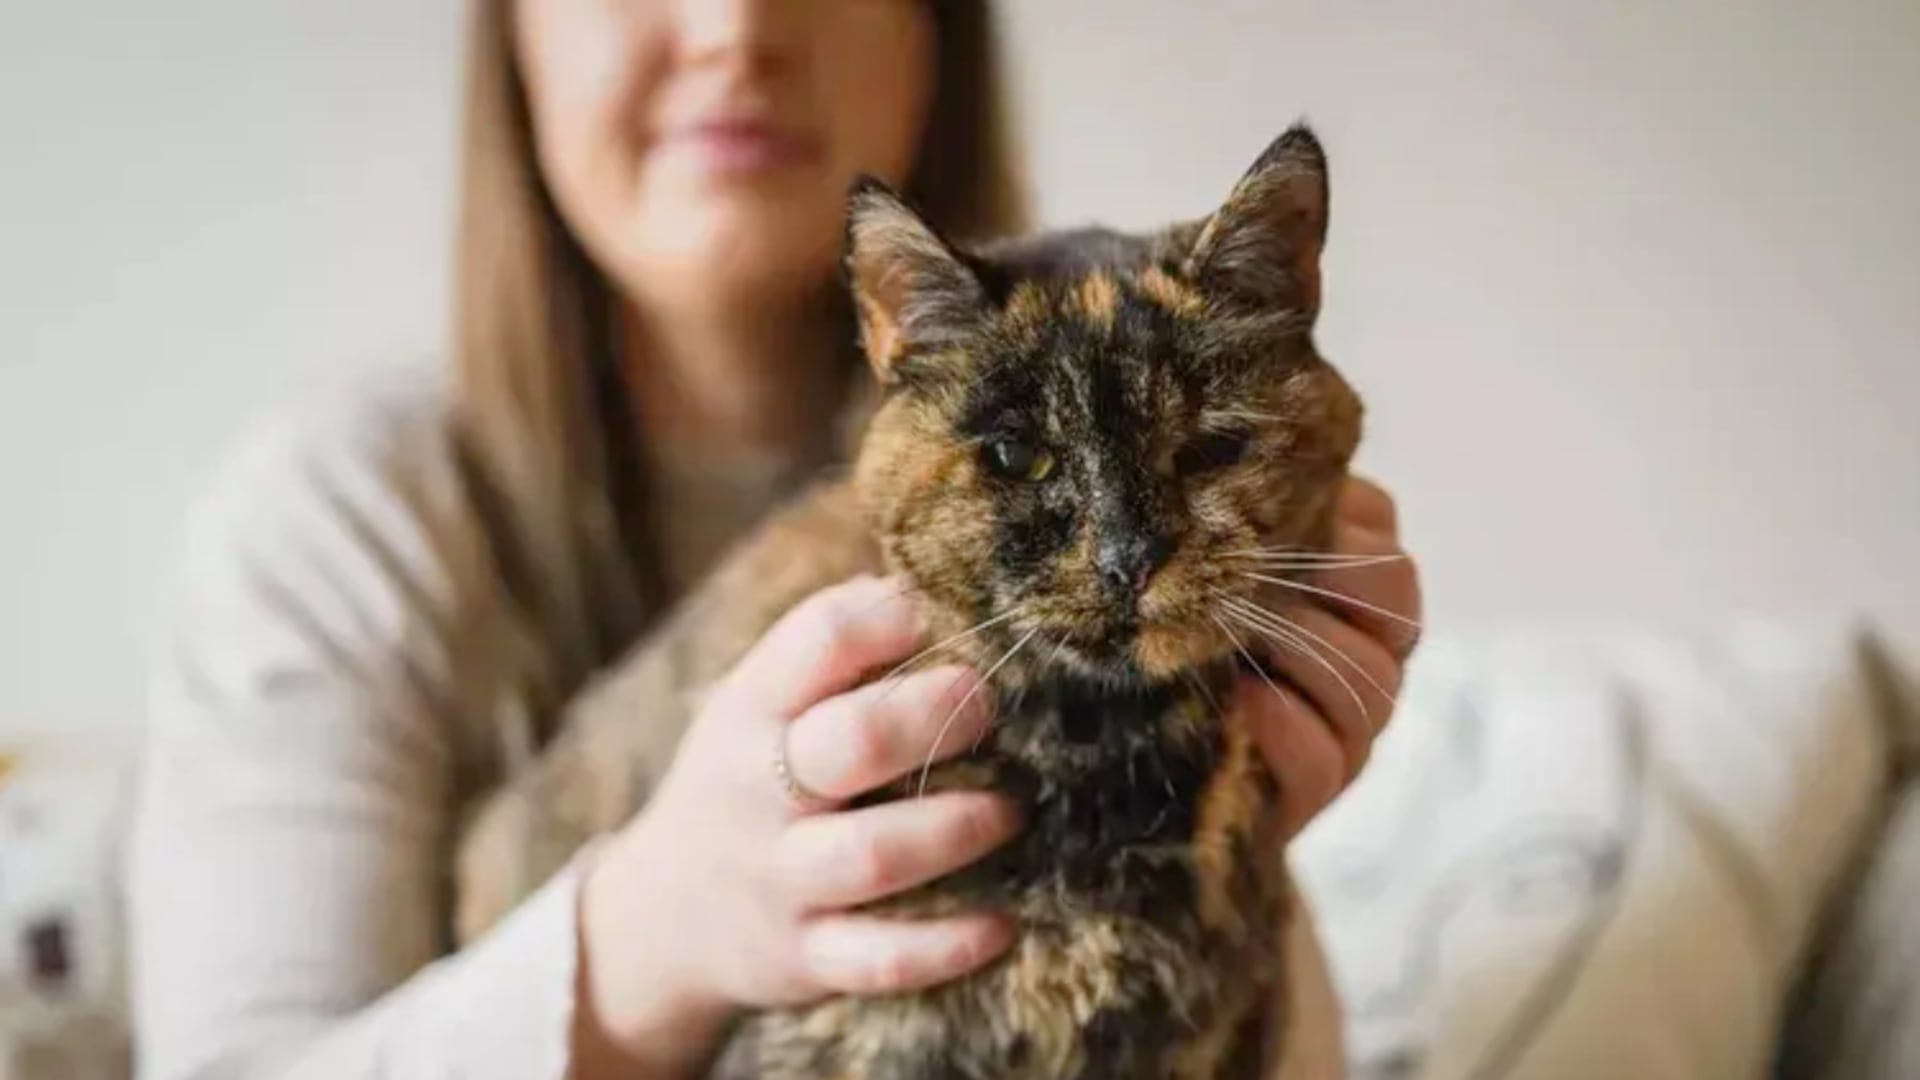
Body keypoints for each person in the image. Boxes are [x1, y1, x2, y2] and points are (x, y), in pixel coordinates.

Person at [124, 2, 1424, 1078]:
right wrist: (642, 944)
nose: (736, 29)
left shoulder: (1112, 363)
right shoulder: (345, 518)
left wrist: (1232, 837)